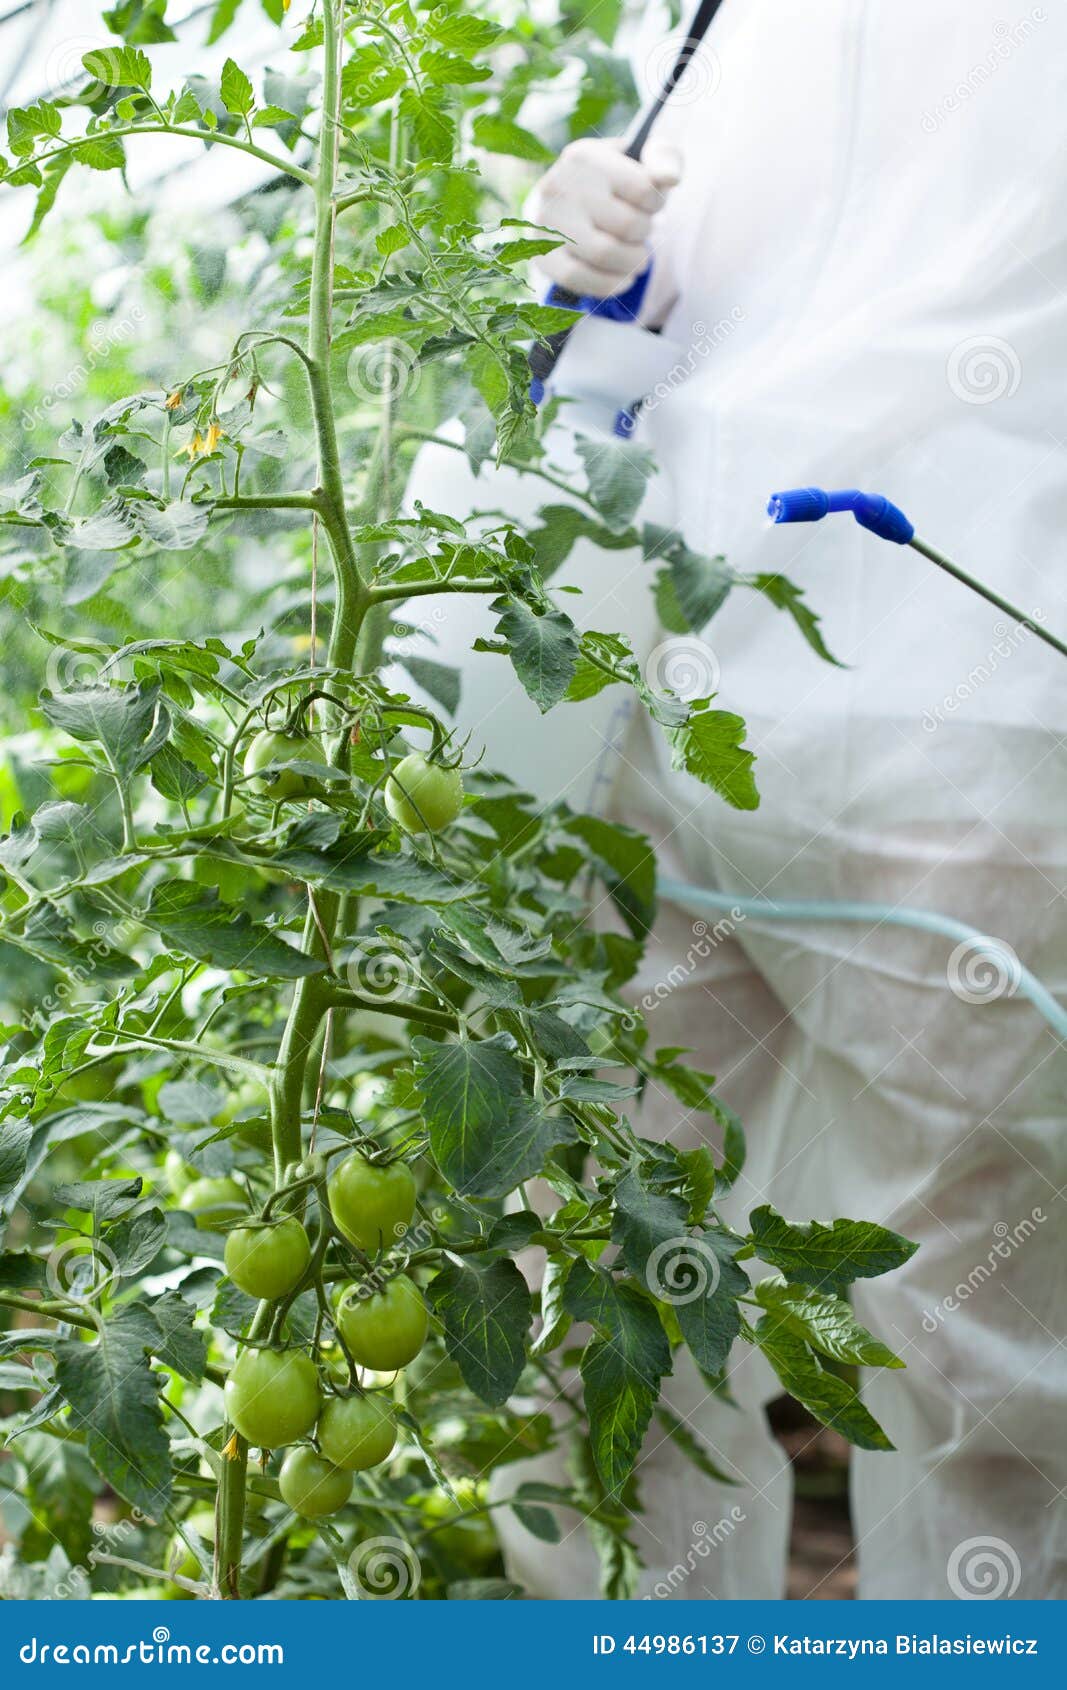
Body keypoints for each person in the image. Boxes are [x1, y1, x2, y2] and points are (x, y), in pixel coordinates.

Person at [405, 0, 1067, 1599]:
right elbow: (681, 260)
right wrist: (589, 235)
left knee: (984, 1362)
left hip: (970, 704)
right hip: (654, 675)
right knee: (590, 1278)